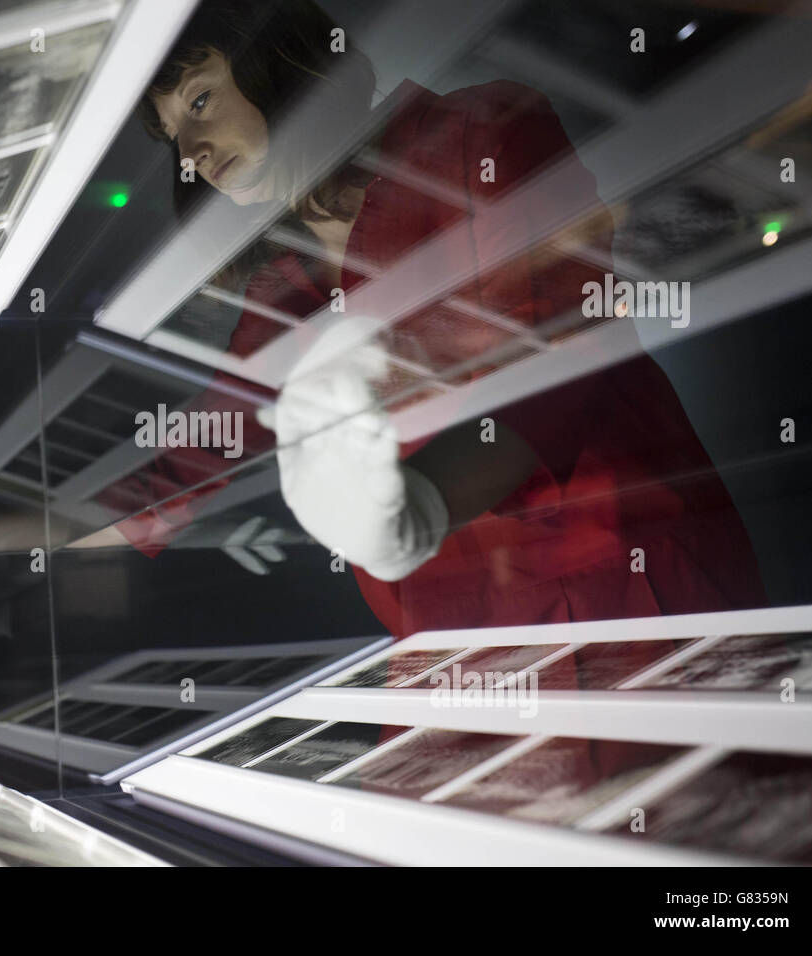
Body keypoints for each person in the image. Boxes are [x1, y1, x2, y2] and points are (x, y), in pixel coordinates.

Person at [104, 0, 767, 646]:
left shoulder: (485, 131)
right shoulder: (282, 285)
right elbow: (196, 453)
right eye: (172, 137)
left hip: (621, 591)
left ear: (276, 57)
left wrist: (421, 507)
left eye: (199, 101)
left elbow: (559, 349)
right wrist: (21, 543)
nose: (191, 151)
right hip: (450, 642)